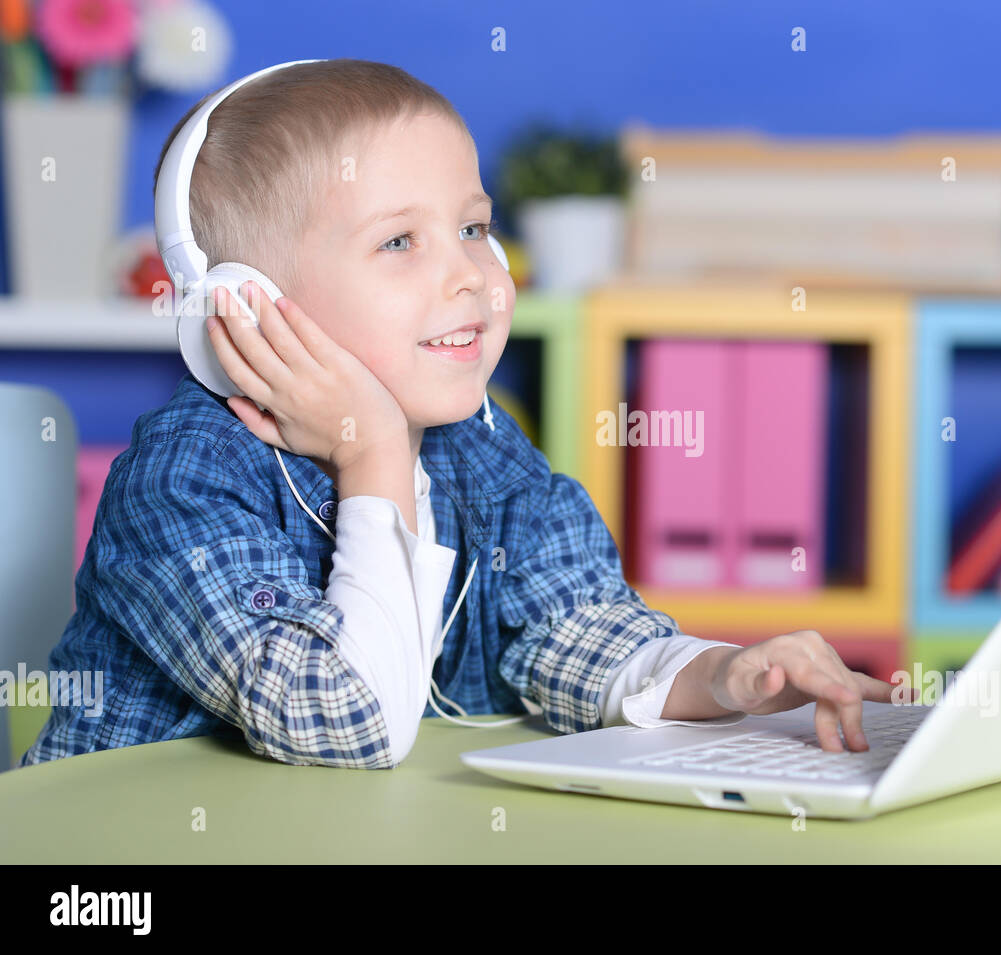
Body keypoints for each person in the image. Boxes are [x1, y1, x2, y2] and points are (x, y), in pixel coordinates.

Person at [21, 59, 904, 770]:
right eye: (400, 241)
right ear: (244, 307)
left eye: (476, 228)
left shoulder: (477, 452)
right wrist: (370, 459)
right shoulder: (182, 487)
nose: (475, 277)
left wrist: (721, 674)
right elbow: (347, 720)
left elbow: (572, 629)